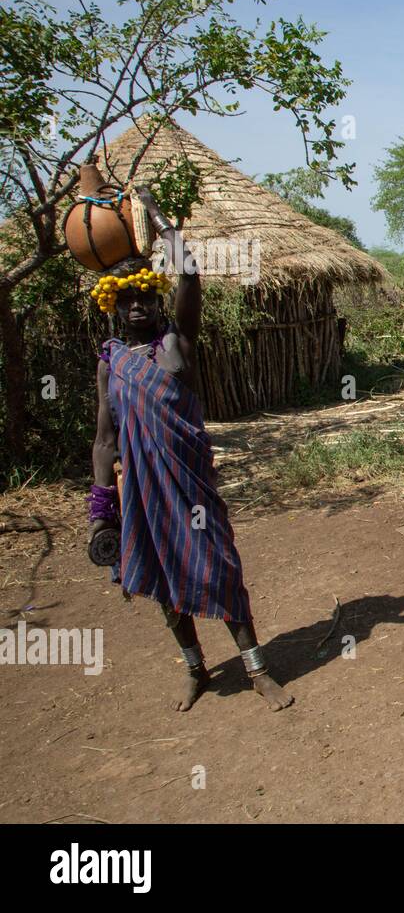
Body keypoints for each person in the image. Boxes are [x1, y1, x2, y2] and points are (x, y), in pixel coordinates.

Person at [88, 185, 292, 712]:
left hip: (192, 483)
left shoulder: (177, 343)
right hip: (141, 487)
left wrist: (156, 217)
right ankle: (195, 669)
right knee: (160, 575)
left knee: (218, 565)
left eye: (145, 297)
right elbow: (105, 439)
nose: (138, 307)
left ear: (158, 299)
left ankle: (257, 670)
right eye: (127, 300)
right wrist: (100, 511)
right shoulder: (111, 363)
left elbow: (191, 273)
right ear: (114, 307)